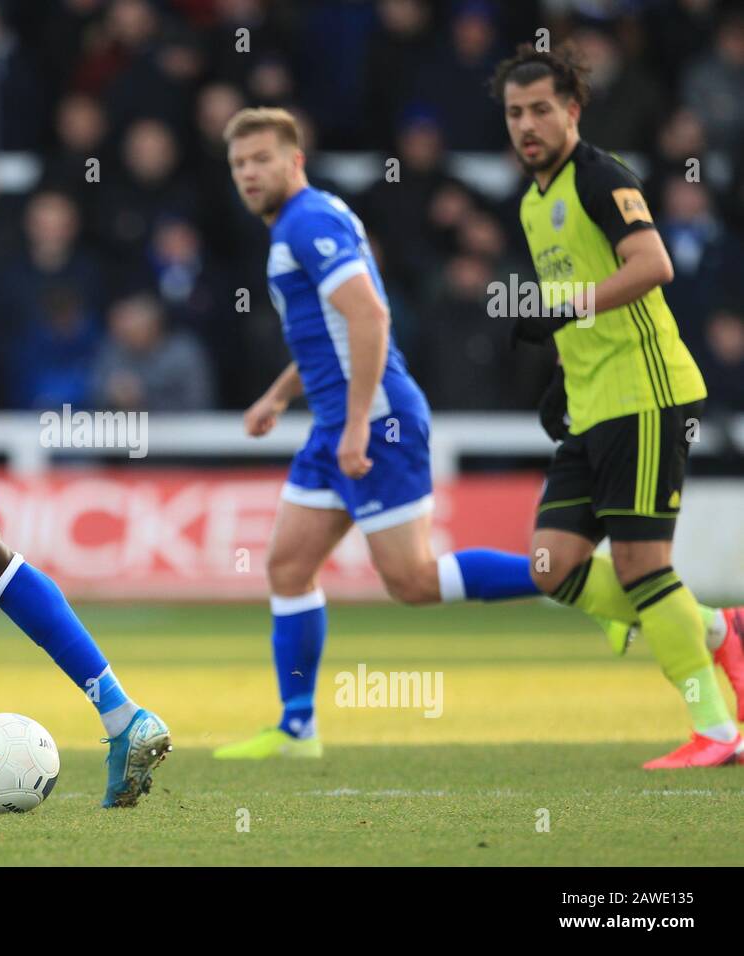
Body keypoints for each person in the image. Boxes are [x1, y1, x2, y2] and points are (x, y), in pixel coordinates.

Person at [211, 106, 744, 762]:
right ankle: (297, 727)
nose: (249, 173)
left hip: (376, 422)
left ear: (295, 160)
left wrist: (355, 426)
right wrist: (278, 394)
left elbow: (371, 318)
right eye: (239, 163)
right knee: (288, 567)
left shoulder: (308, 223)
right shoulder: (306, 220)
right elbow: (329, 332)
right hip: (336, 422)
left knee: (412, 581)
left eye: (262, 159)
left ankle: (641, 605)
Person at [494, 44, 744, 768]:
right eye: (515, 113)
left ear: (572, 110)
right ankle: (717, 631)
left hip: (646, 392)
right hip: (595, 400)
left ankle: (718, 729)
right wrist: (563, 382)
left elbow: (652, 265)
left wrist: (564, 310)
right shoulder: (533, 204)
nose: (527, 124)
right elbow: (589, 305)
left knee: (641, 564)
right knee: (551, 565)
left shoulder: (602, 178)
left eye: (541, 108)